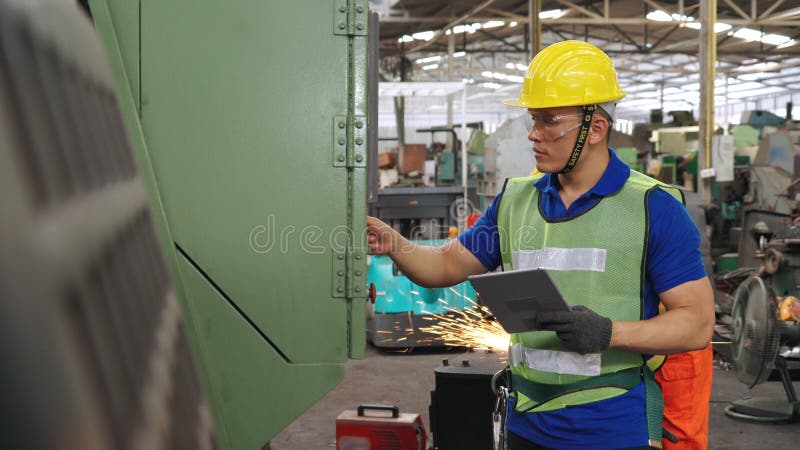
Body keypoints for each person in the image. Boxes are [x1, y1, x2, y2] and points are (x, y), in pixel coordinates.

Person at [367, 40, 714, 449]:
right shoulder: (516, 199)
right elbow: (445, 265)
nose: (534, 134)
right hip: (526, 423)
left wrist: (609, 332)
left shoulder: (652, 206)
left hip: (610, 429)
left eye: (549, 121)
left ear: (596, 128)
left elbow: (697, 323)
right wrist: (392, 242)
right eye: (533, 119)